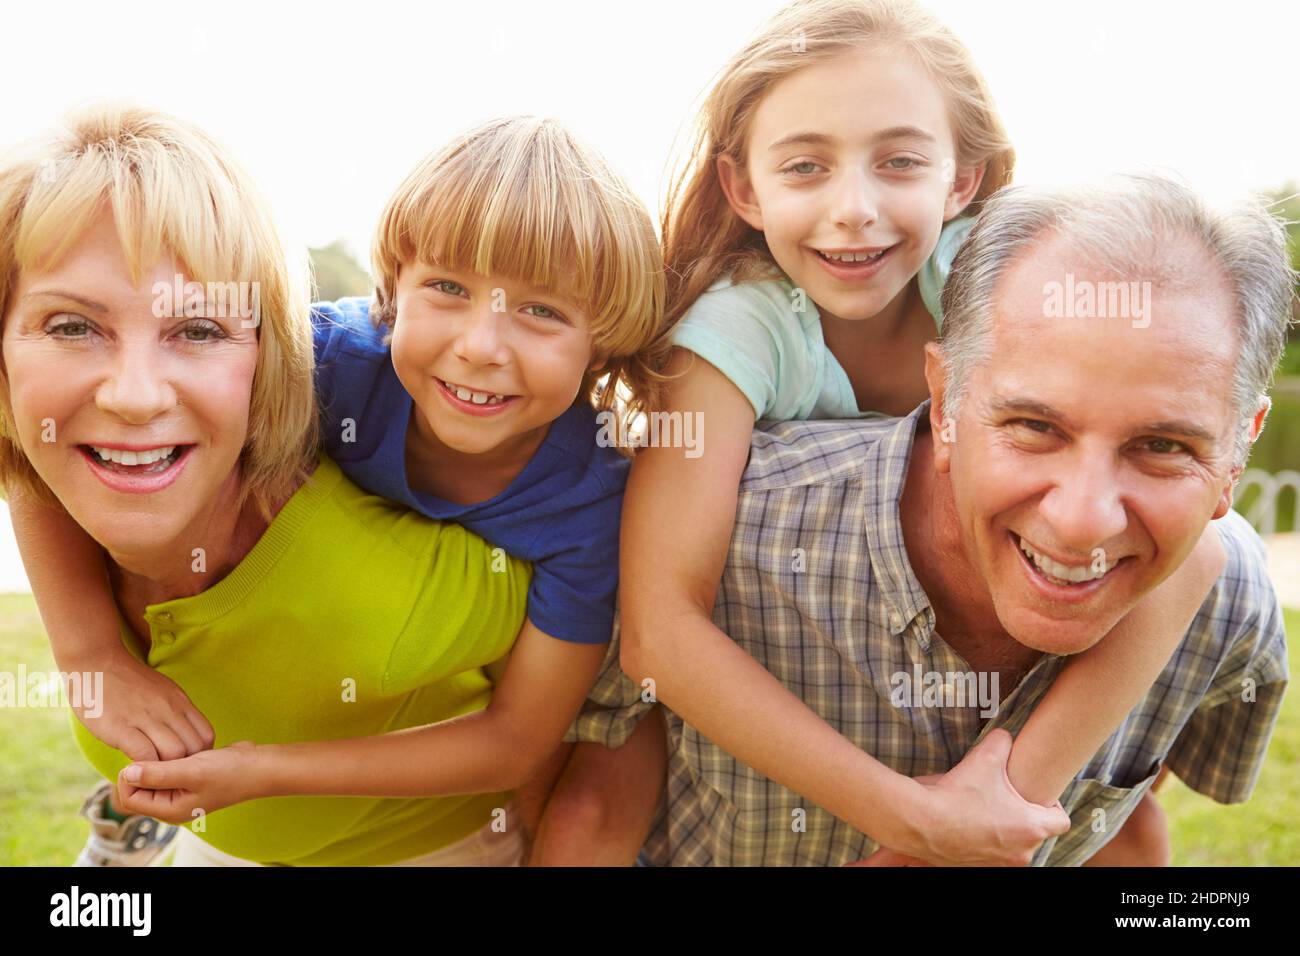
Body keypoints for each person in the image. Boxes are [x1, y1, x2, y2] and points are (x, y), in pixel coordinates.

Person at [599, 0, 1222, 865]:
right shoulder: (738, 331)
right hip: (836, 651)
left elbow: (1202, 548)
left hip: (1011, 623)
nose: (855, 208)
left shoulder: (994, 286)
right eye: (806, 166)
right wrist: (912, 819)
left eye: (898, 161)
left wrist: (990, 809)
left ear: (961, 179)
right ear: (744, 190)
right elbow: (659, 630)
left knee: (1128, 817)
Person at [0, 104, 575, 866]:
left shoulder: (394, 587)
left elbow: (533, 734)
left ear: (267, 359)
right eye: (72, 326)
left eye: (198, 330)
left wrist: (264, 772)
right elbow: (31, 458)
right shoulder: (70, 478)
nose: (133, 397)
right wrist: (89, 653)